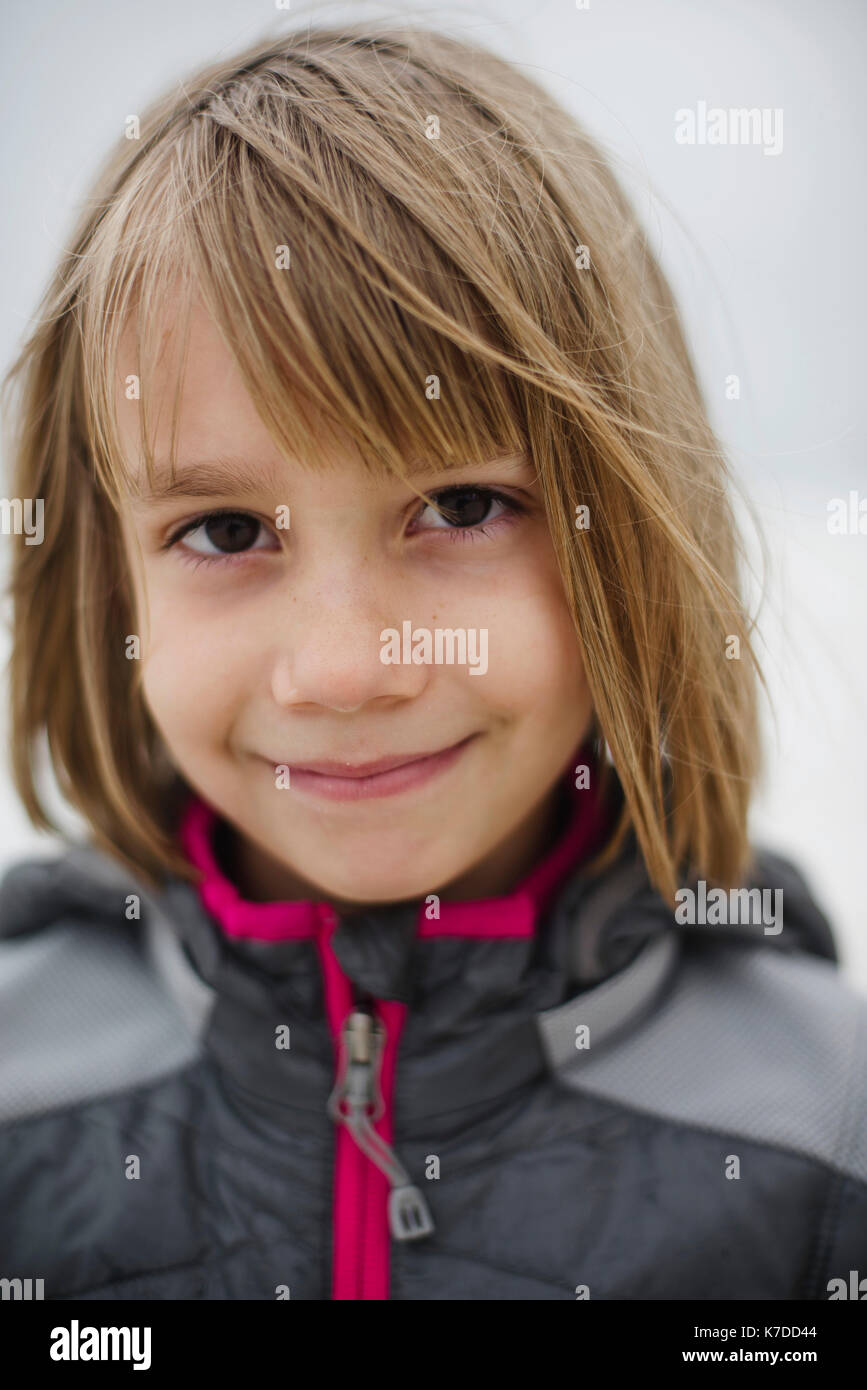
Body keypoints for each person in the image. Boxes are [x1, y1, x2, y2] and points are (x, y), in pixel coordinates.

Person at [0, 22, 864, 1301]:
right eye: (226, 531)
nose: (347, 670)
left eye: (461, 508)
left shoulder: (826, 1133)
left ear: (630, 533)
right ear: (104, 579)